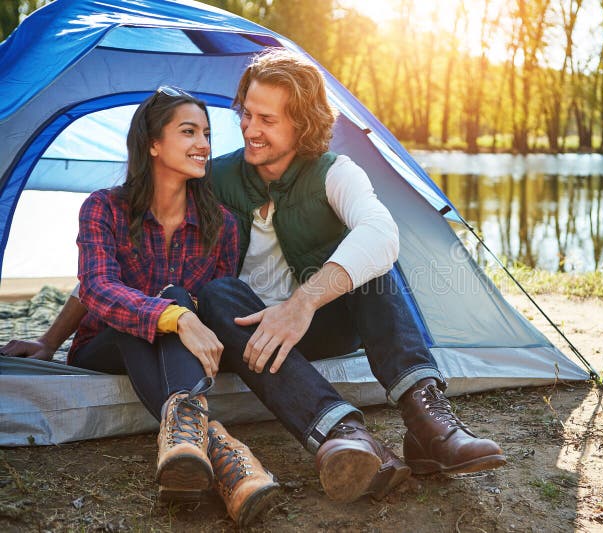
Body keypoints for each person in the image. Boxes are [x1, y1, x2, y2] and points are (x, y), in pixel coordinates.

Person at [2, 48, 506, 505]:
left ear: (301, 124)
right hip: (235, 333)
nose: (248, 129)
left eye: (266, 119)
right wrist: (54, 338)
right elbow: (109, 278)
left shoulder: (328, 174)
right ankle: (333, 436)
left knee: (373, 264)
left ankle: (427, 420)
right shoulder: (195, 182)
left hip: (308, 327)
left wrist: (301, 304)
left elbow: (380, 232)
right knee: (204, 295)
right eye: (245, 114)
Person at [0, 87, 279, 527]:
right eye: (189, 132)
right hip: (108, 346)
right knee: (162, 305)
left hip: (183, 357)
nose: (204, 145)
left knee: (177, 299)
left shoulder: (221, 224)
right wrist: (50, 340)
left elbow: (216, 302)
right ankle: (222, 450)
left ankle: (188, 447)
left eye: (207, 134)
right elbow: (96, 287)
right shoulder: (103, 208)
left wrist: (185, 315)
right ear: (152, 143)